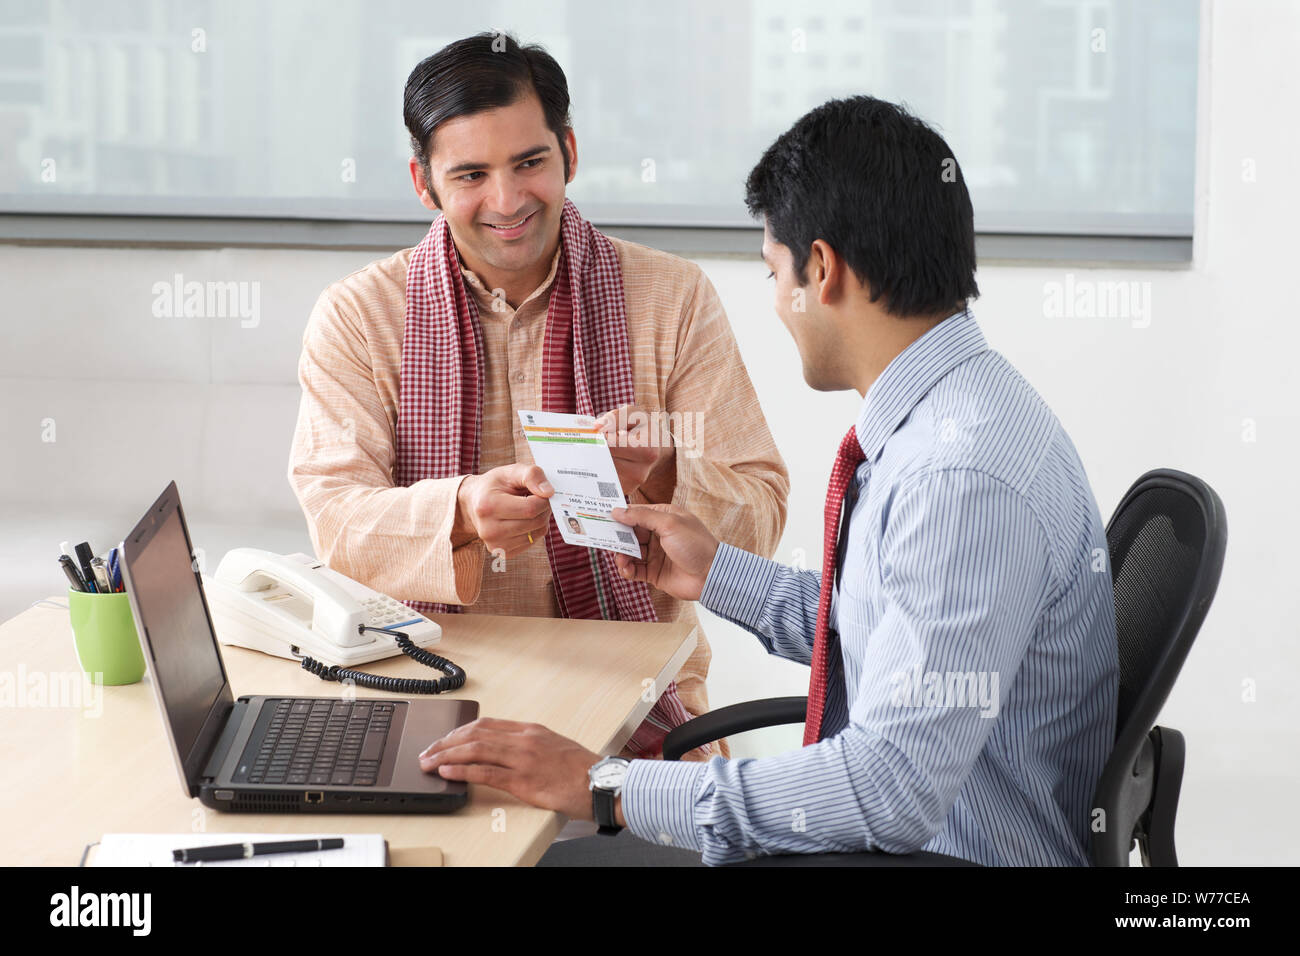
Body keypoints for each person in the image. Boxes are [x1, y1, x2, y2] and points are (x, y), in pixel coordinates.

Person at [418, 95, 1120, 867]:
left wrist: (604, 784)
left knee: (546, 858)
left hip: (948, 854)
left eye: (771, 271)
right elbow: (886, 623)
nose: (776, 306)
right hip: (923, 838)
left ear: (820, 270)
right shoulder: (963, 412)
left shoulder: (959, 478)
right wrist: (718, 572)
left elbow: (888, 791)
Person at [287, 32, 789, 761]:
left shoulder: (673, 298)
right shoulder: (359, 316)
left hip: (634, 715)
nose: (507, 200)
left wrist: (667, 475)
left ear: (570, 154)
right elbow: (334, 526)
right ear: (423, 184)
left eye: (530, 163)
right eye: (470, 175)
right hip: (424, 701)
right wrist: (458, 513)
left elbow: (764, 521)